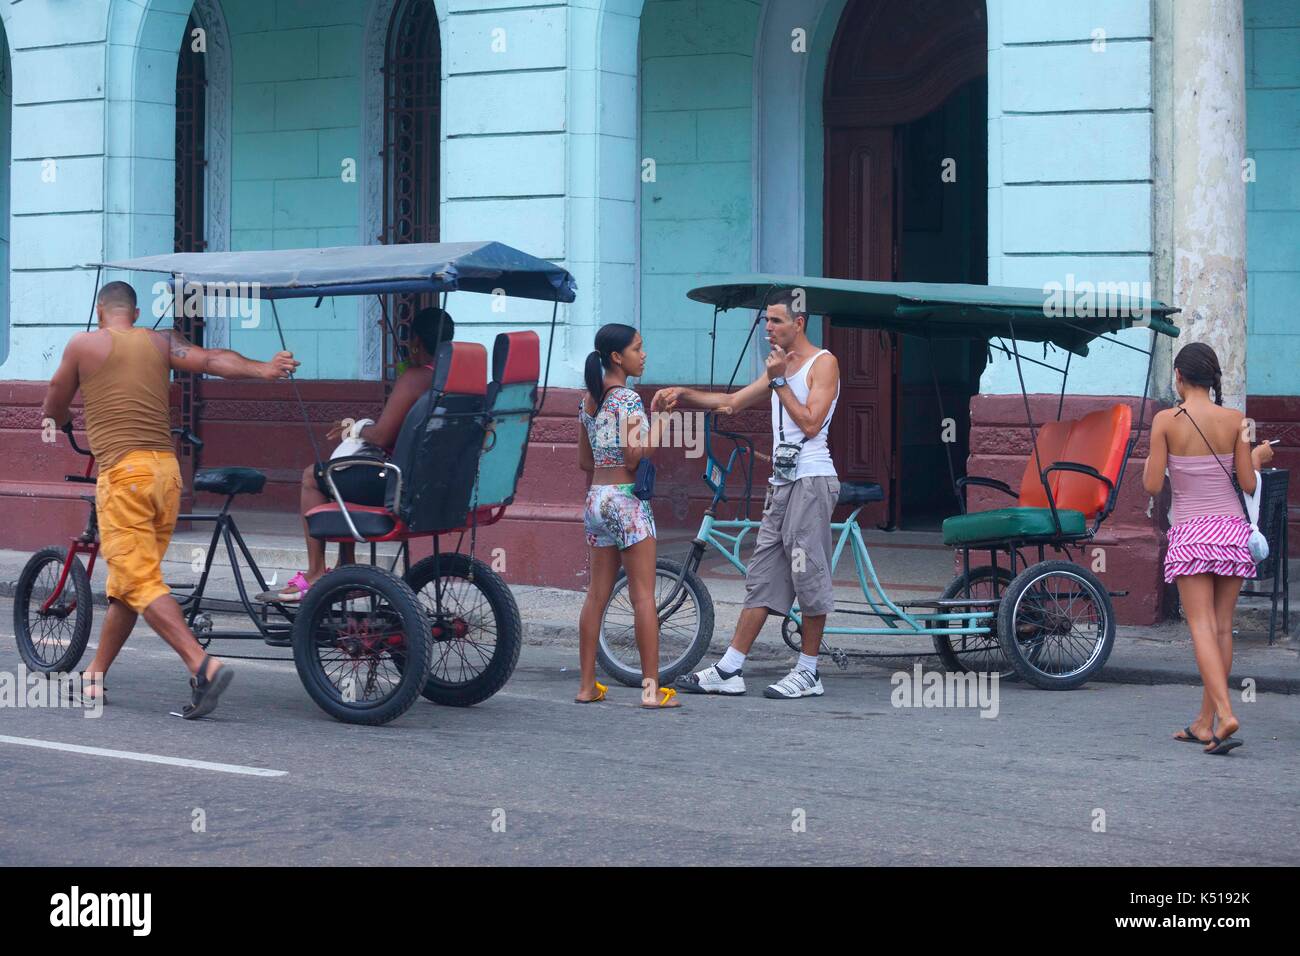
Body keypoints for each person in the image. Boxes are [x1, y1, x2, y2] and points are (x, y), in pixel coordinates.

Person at [41, 280, 298, 716]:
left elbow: (53, 402)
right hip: (166, 474)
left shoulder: (83, 344)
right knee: (129, 583)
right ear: (135, 314)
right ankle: (93, 677)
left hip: (125, 476)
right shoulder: (161, 342)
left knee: (139, 580)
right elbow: (215, 358)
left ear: (101, 310)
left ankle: (202, 665)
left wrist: (62, 418)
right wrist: (265, 369)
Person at [654, 290, 841, 699]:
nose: (768, 329)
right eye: (765, 322)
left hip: (811, 482)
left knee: (807, 572)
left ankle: (809, 671)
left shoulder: (822, 363)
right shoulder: (780, 365)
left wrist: (778, 382)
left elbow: (811, 424)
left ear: (799, 323)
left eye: (775, 321)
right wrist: (684, 395)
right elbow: (731, 404)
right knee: (762, 576)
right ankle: (730, 668)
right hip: (782, 485)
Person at [263, 306, 455, 602]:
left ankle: (315, 571)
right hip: (435, 483)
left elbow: (381, 436)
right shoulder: (457, 380)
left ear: (415, 342)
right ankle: (346, 566)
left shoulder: (416, 378)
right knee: (346, 475)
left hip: (397, 484)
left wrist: (354, 428)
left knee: (314, 476)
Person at [1143, 342, 1274, 755]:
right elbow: (1248, 484)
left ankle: (1226, 710)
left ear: (1179, 377)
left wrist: (1157, 449)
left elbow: (1151, 485)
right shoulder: (1236, 419)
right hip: (1231, 533)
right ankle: (1205, 723)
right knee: (1220, 628)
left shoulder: (1166, 420)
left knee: (1199, 626)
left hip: (1192, 534)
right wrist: (1256, 455)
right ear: (1212, 377)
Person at [575, 323, 679, 708]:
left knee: (596, 595)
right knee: (643, 597)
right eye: (638, 348)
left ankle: (587, 686)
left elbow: (584, 461)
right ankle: (652, 692)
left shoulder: (588, 400)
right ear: (617, 357)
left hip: (597, 499)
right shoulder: (628, 400)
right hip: (626, 501)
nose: (644, 354)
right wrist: (663, 418)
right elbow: (636, 456)